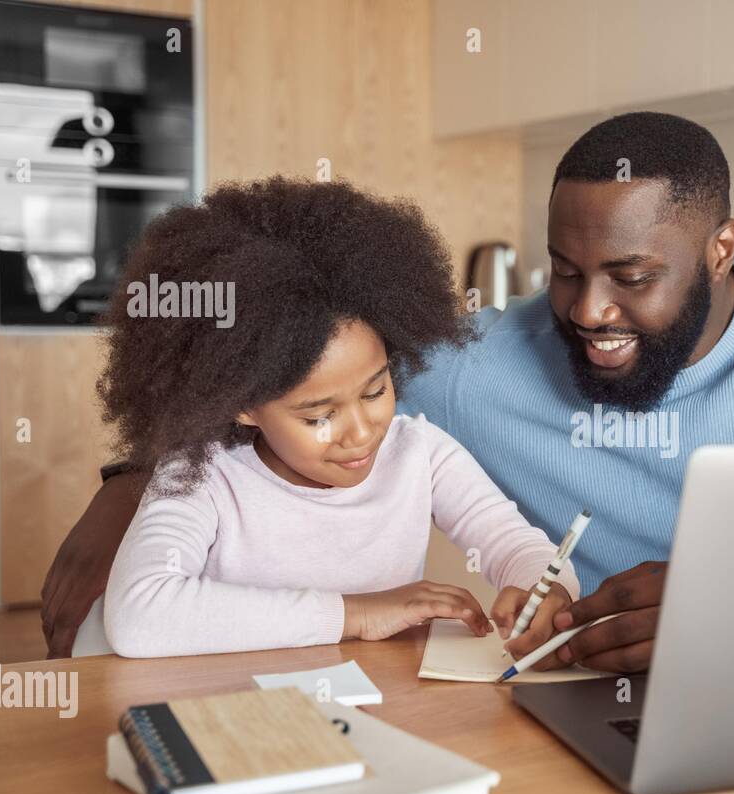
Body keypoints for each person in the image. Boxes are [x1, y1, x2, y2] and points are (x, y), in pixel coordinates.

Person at [43, 112, 734, 669]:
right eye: (564, 270)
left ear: (722, 248)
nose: (588, 310)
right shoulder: (475, 359)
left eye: (631, 276)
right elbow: (276, 364)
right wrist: (131, 480)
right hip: (599, 691)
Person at [80, 177, 575, 658]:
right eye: (319, 416)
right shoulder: (203, 474)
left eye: (376, 390)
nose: (361, 433)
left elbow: (519, 546)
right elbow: (137, 618)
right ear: (243, 403)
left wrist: (541, 587)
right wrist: (355, 615)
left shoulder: (421, 454)